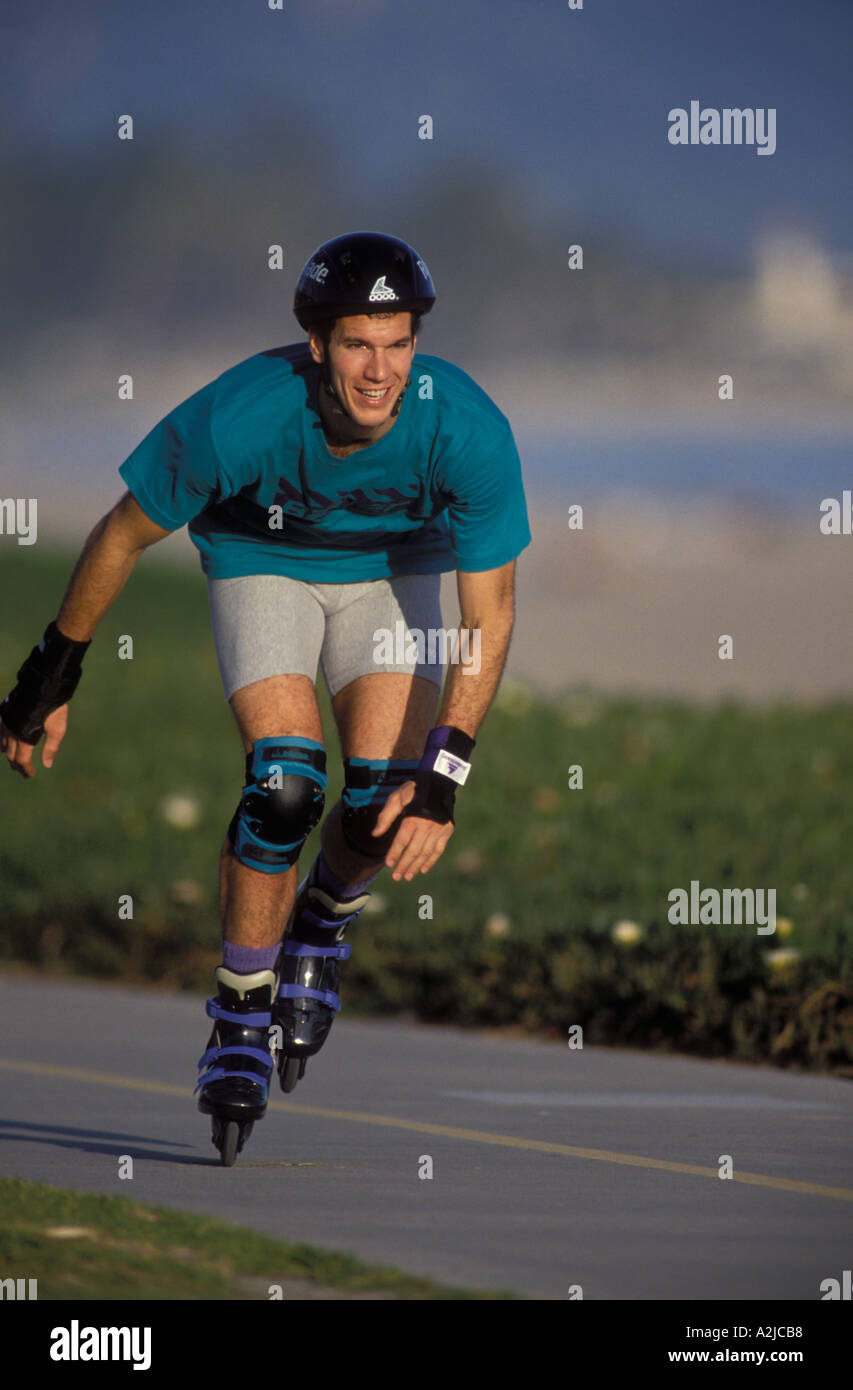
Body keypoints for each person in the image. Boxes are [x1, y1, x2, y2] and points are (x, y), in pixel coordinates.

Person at [1, 231, 531, 1162]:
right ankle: (241, 1012)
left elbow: (486, 613)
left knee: (378, 805)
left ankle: (323, 919)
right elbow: (121, 535)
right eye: (359, 343)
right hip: (261, 564)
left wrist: (444, 775)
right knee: (284, 787)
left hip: (392, 573)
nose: (381, 369)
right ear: (318, 344)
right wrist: (51, 673)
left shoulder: (466, 427)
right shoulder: (241, 416)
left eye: (399, 342)